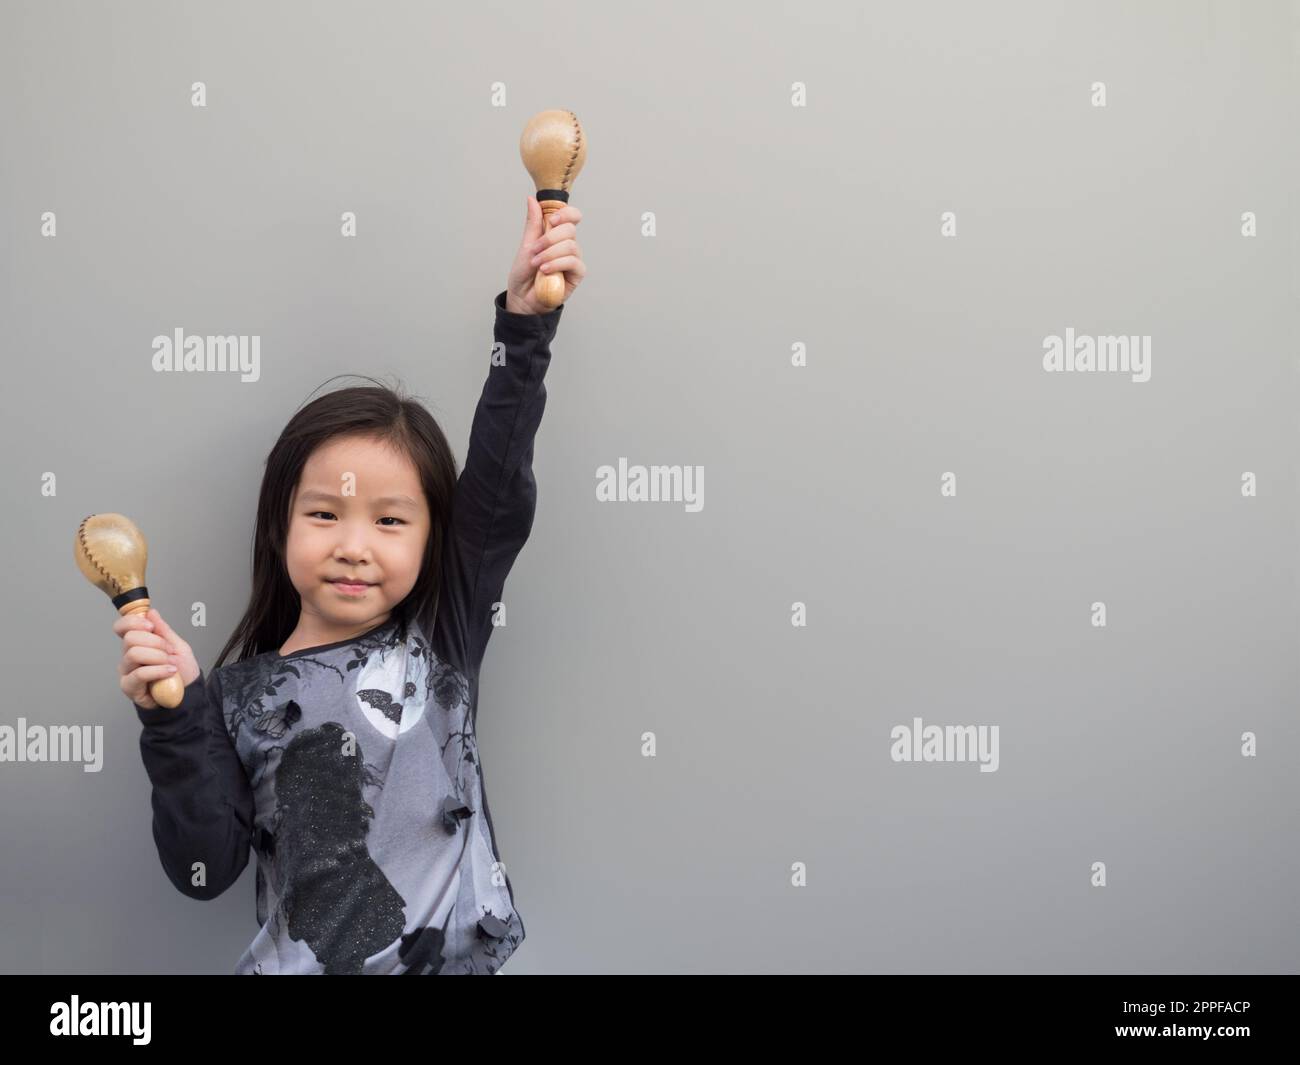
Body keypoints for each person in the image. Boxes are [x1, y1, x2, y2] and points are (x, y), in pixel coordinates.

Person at [114, 194, 585, 974]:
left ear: (437, 540)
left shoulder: (444, 637)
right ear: (281, 525)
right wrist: (170, 720)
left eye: (391, 521)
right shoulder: (231, 699)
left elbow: (499, 483)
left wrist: (525, 325)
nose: (354, 546)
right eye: (325, 513)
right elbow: (203, 868)